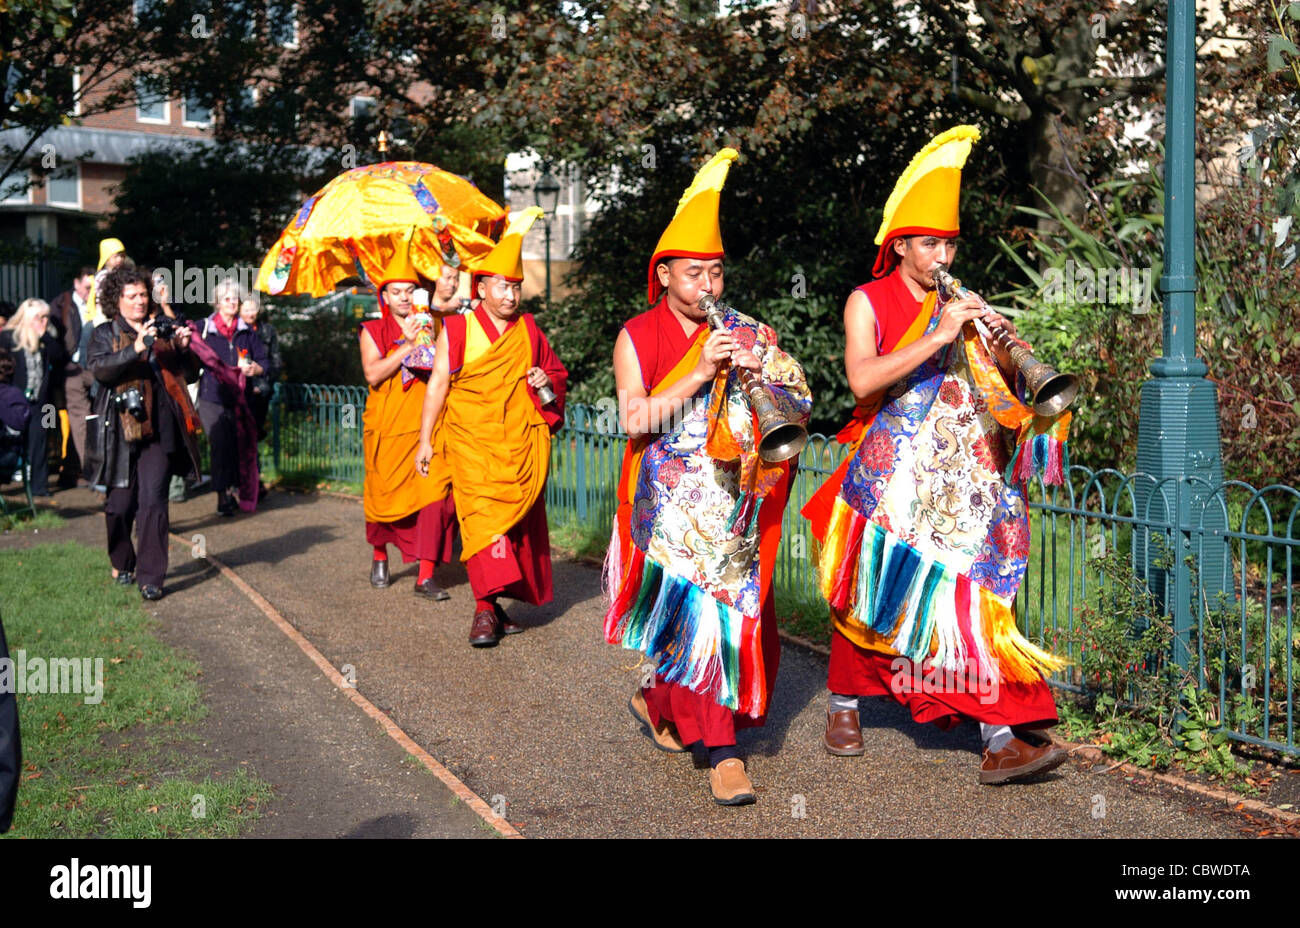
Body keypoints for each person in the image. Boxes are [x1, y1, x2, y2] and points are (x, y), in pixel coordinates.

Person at [801, 126, 1072, 785]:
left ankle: (1000, 736)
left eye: (949, 242)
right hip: (888, 470)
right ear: (901, 245)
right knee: (865, 589)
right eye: (930, 243)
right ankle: (845, 701)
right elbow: (863, 380)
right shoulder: (866, 301)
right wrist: (939, 332)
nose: (942, 254)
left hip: (956, 477)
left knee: (964, 595)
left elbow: (989, 385)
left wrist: (1005, 344)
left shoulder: (963, 301)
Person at [602, 149, 812, 806]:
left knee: (735, 626)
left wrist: (765, 378)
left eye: (716, 274)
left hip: (735, 506)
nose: (708, 287)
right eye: (694, 273)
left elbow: (792, 402)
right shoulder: (636, 335)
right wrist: (697, 371)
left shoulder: (751, 330)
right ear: (664, 275)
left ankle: (660, 701)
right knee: (691, 627)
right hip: (670, 515)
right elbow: (635, 419)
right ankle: (724, 755)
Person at [415, 207, 568, 645]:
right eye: (502, 285)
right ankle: (484, 610)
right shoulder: (458, 329)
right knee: (484, 523)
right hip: (470, 443)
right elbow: (437, 385)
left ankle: (496, 605)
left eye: (516, 286)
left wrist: (545, 383)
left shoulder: (530, 331)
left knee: (511, 527)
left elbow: (554, 378)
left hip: (516, 443)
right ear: (481, 287)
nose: (510, 295)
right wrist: (425, 440)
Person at [84, 266, 202, 601]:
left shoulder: (162, 329)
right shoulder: (104, 333)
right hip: (119, 430)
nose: (139, 301)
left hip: (161, 429)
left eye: (143, 295)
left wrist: (181, 348)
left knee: (154, 503)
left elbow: (190, 375)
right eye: (131, 296)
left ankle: (151, 578)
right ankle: (122, 562)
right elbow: (99, 371)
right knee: (119, 506)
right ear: (116, 300)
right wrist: (135, 348)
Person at [360, 243, 458, 600]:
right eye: (395, 292)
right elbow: (373, 374)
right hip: (388, 427)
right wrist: (406, 344)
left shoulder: (434, 324)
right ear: (383, 295)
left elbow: (446, 369)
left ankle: (426, 575)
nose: (403, 298)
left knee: (436, 497)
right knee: (383, 495)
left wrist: (427, 337)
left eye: (409, 291)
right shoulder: (372, 330)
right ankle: (379, 554)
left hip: (428, 425)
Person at [196, 278, 267, 516]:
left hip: (240, 397)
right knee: (220, 445)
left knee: (240, 445)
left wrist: (255, 369)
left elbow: (265, 362)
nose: (232, 303)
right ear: (217, 303)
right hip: (211, 397)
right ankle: (221, 496)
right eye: (226, 299)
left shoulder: (246, 332)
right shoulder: (204, 328)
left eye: (235, 299)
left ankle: (239, 490)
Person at [0, 299, 68, 498]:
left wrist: (44, 336)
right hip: (15, 400)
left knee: (41, 440)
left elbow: (60, 358)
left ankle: (40, 485)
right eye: (39, 317)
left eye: (46, 316)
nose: (44, 320)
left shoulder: (48, 338)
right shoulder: (8, 336)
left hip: (43, 401)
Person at [239, 294, 281, 443]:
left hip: (261, 389)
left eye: (253, 309)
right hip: (239, 388)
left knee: (253, 432)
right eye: (246, 309)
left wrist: (264, 383)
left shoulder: (268, 331)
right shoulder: (236, 331)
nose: (251, 313)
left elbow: (275, 362)